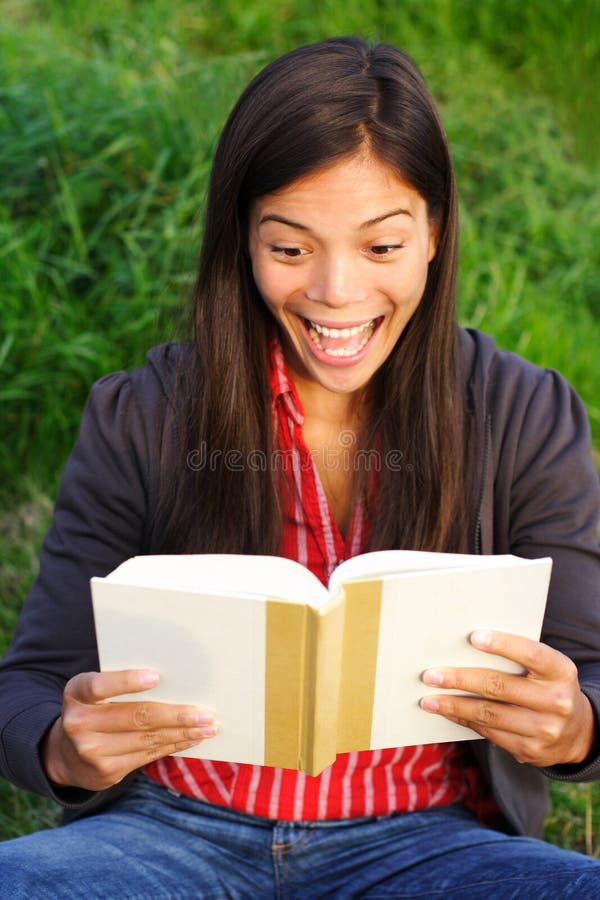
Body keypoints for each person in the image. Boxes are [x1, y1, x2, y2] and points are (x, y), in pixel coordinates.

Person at [0, 36, 599, 899]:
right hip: (167, 836)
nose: (337, 293)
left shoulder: (525, 413)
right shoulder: (143, 414)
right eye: (291, 249)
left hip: (428, 846)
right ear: (241, 240)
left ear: (434, 232)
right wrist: (64, 745)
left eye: (382, 248)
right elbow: (27, 684)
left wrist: (572, 725)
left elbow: (590, 674)